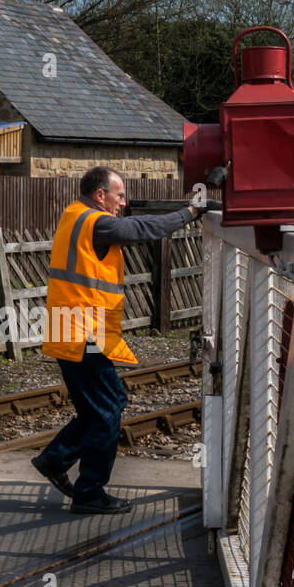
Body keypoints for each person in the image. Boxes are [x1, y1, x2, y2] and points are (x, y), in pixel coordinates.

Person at [32, 166, 202, 514]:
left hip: (72, 330)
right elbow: (142, 229)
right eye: (119, 195)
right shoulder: (97, 222)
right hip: (82, 334)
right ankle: (89, 492)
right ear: (100, 195)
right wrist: (191, 213)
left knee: (103, 406)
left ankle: (56, 459)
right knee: (108, 409)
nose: (122, 203)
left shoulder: (73, 215)